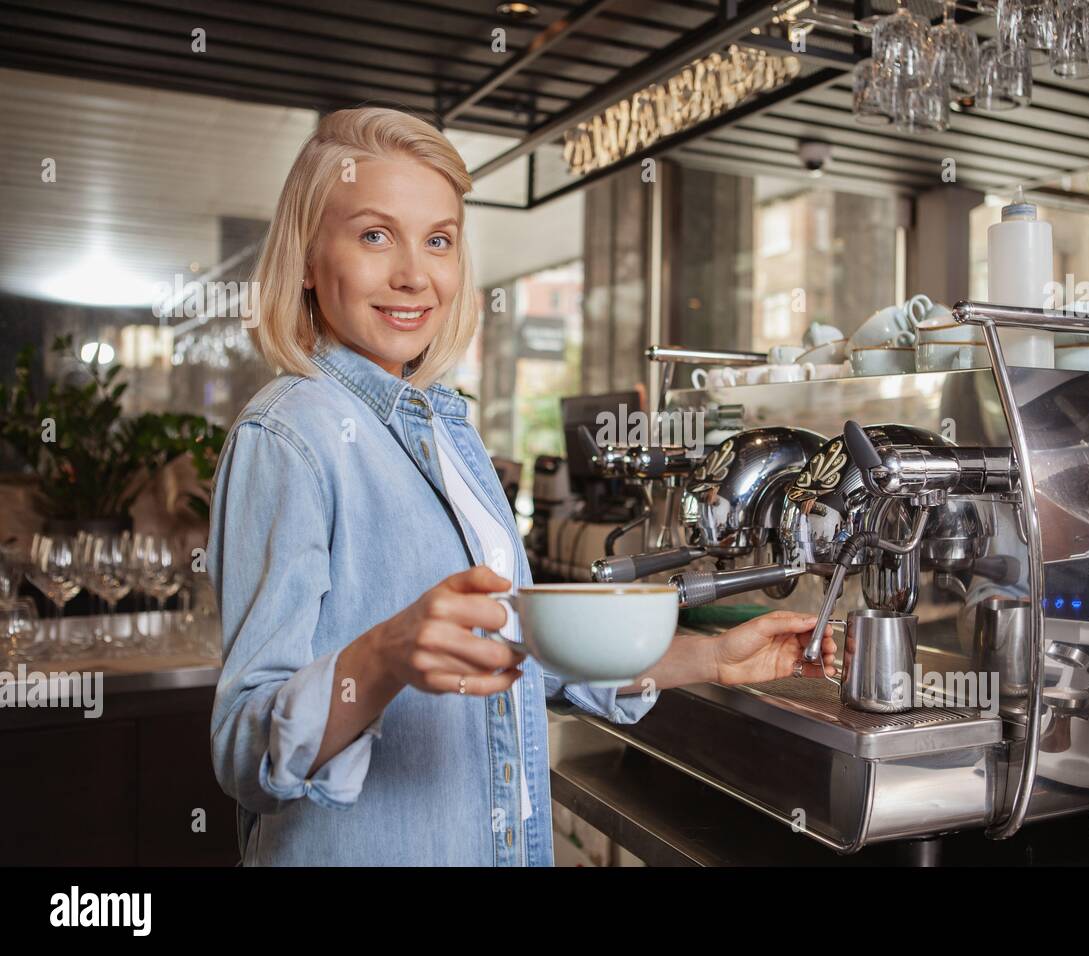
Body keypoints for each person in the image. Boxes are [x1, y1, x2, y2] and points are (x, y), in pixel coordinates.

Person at [207, 106, 836, 866]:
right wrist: (384, 657)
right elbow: (245, 752)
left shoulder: (448, 430)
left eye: (438, 240)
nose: (413, 273)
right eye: (375, 235)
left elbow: (520, 654)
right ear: (308, 259)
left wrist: (708, 660)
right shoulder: (286, 435)